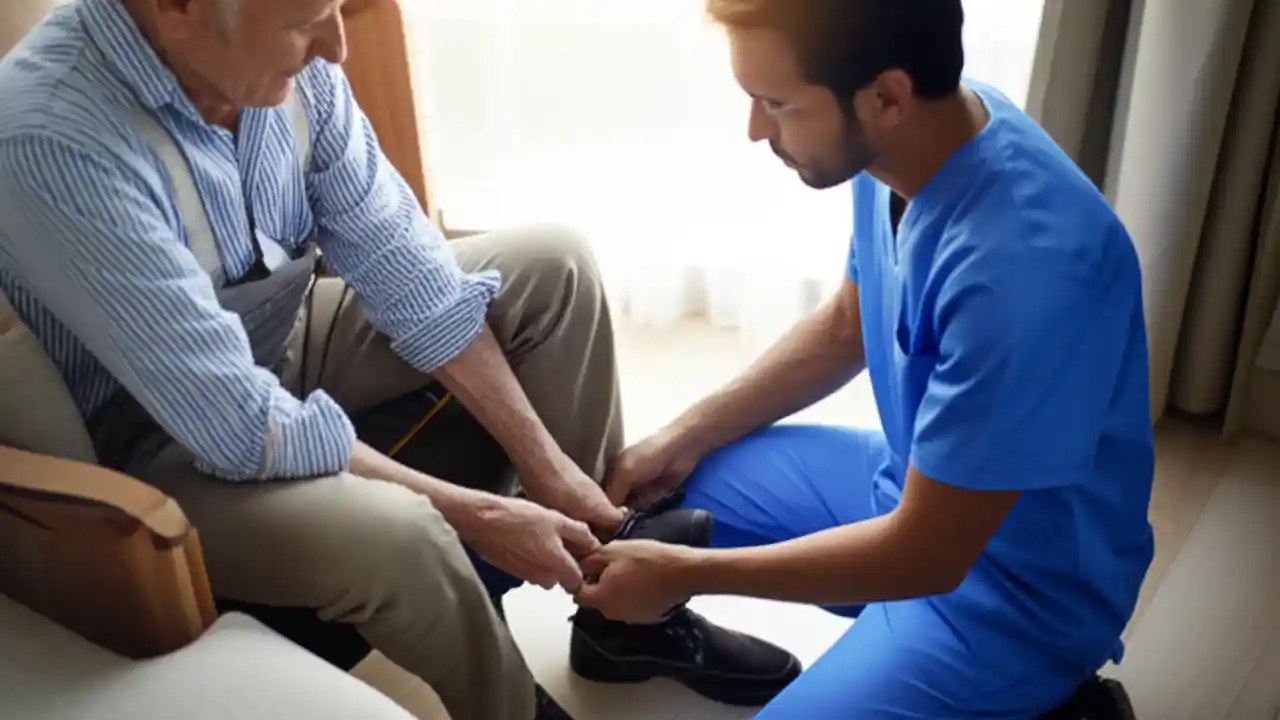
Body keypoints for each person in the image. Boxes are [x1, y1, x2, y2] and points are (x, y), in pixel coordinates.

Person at [0, 1, 798, 718]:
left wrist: (548, 469)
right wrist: (481, 515)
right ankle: (513, 708)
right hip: (160, 438)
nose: (336, 46)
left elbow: (407, 269)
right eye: (303, 20)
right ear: (176, 10)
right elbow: (238, 424)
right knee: (407, 533)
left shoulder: (290, 66)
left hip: (279, 337)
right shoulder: (52, 134)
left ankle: (616, 616)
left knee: (556, 269)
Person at [576, 0, 1156, 717]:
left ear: (886, 97)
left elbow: (927, 557)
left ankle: (1059, 702)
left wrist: (687, 573)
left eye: (775, 105)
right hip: (911, 484)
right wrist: (685, 434)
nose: (756, 131)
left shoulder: (1025, 270)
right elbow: (850, 324)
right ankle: (623, 637)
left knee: (674, 553)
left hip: (1007, 591)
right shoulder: (904, 143)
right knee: (657, 496)